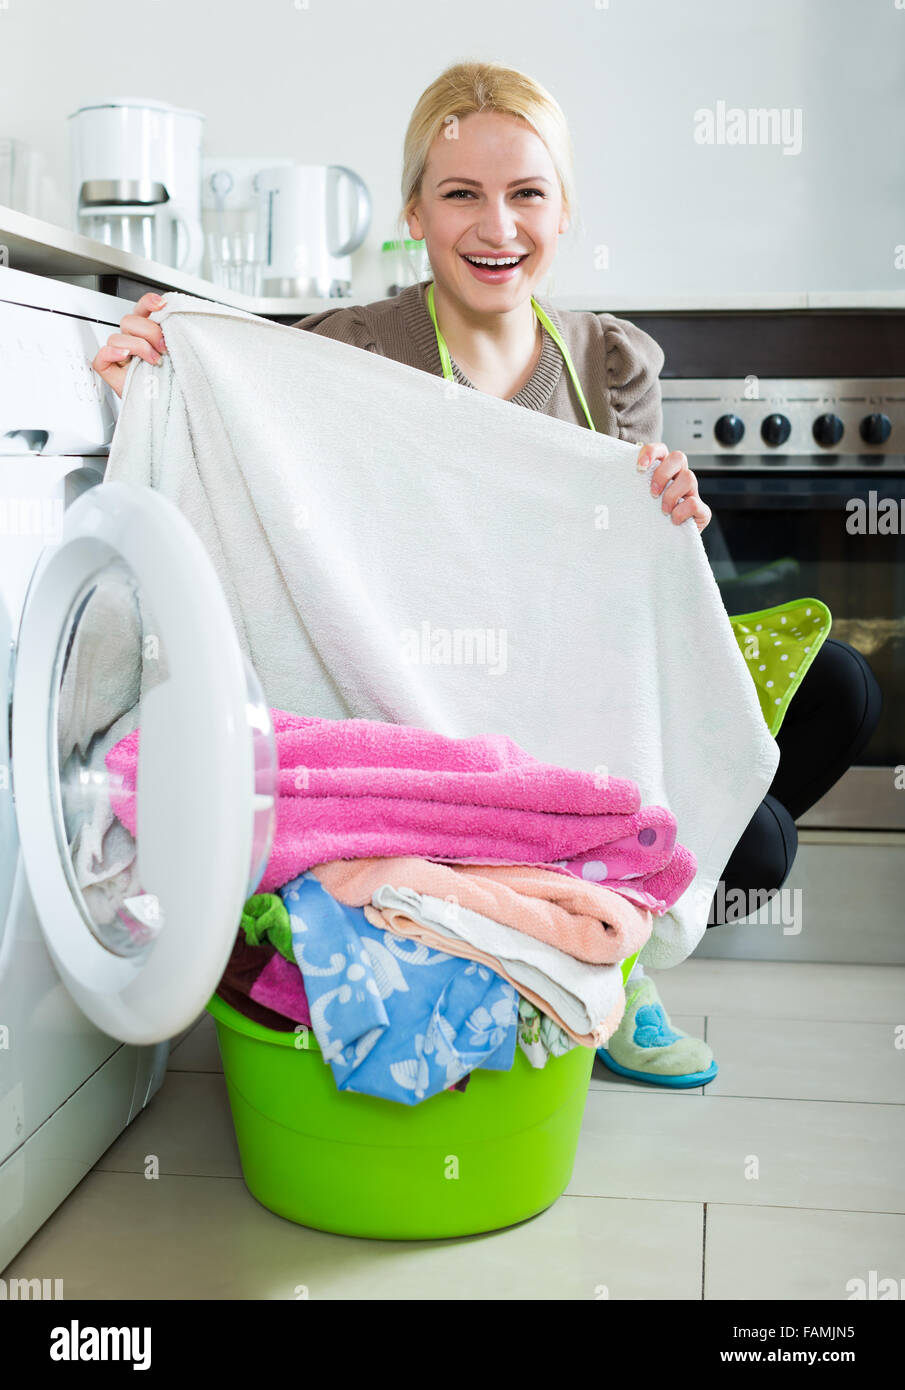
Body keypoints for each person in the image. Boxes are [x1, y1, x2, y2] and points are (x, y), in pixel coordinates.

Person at [92, 59, 882, 1089]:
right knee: (758, 847)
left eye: (525, 194)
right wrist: (150, 371)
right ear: (413, 211)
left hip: (578, 672)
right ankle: (575, 937)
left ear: (564, 211)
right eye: (459, 193)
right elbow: (248, 449)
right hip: (429, 684)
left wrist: (671, 508)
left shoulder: (609, 362)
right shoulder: (349, 349)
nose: (494, 226)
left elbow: (635, 579)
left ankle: (602, 939)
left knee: (839, 691)